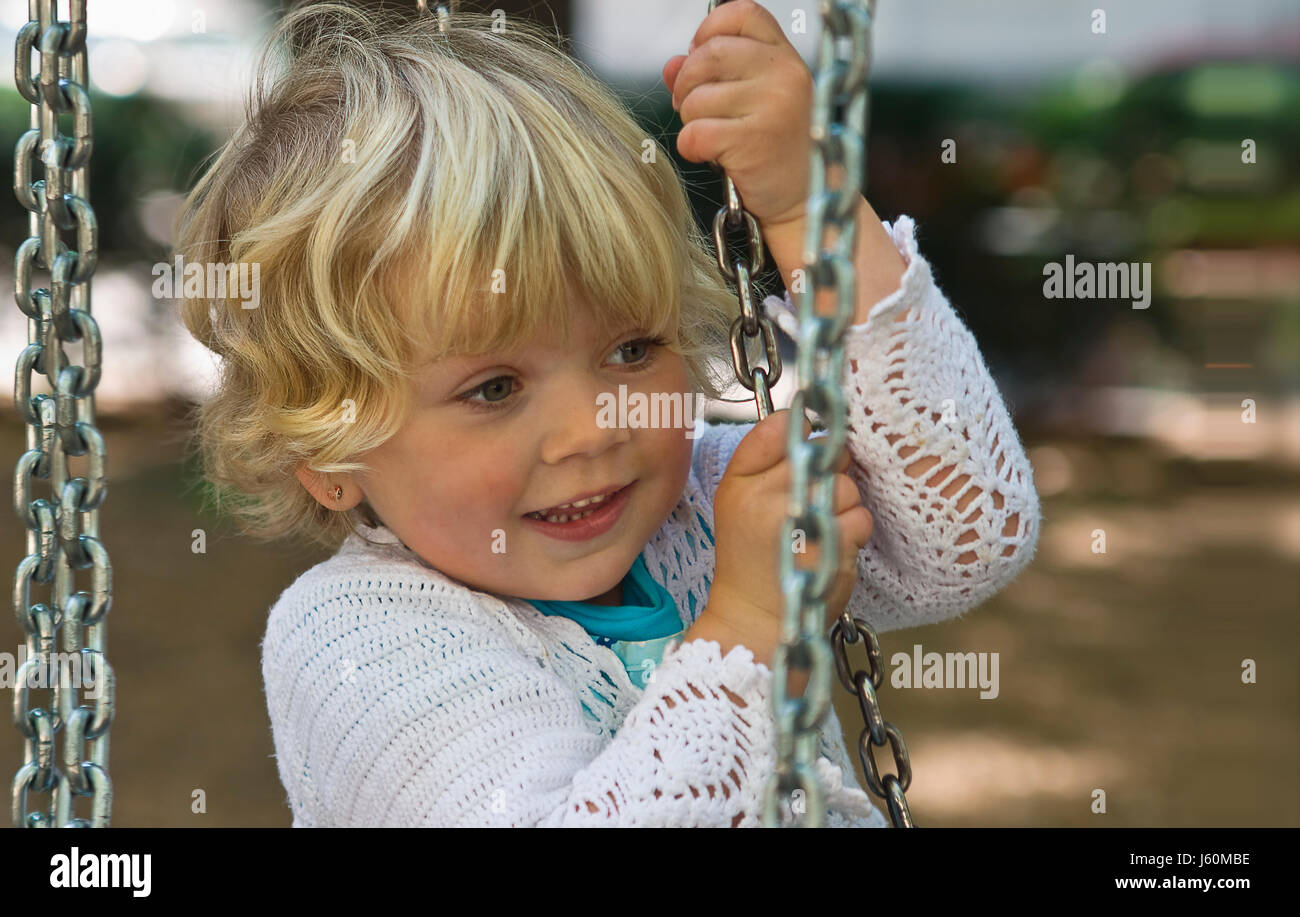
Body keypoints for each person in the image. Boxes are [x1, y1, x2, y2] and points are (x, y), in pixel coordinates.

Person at [174, 1, 1041, 827]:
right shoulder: (357, 639)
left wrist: (811, 213)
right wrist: (746, 632)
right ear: (326, 453)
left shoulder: (705, 510)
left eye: (631, 350)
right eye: (495, 389)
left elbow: (970, 532)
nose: (595, 429)